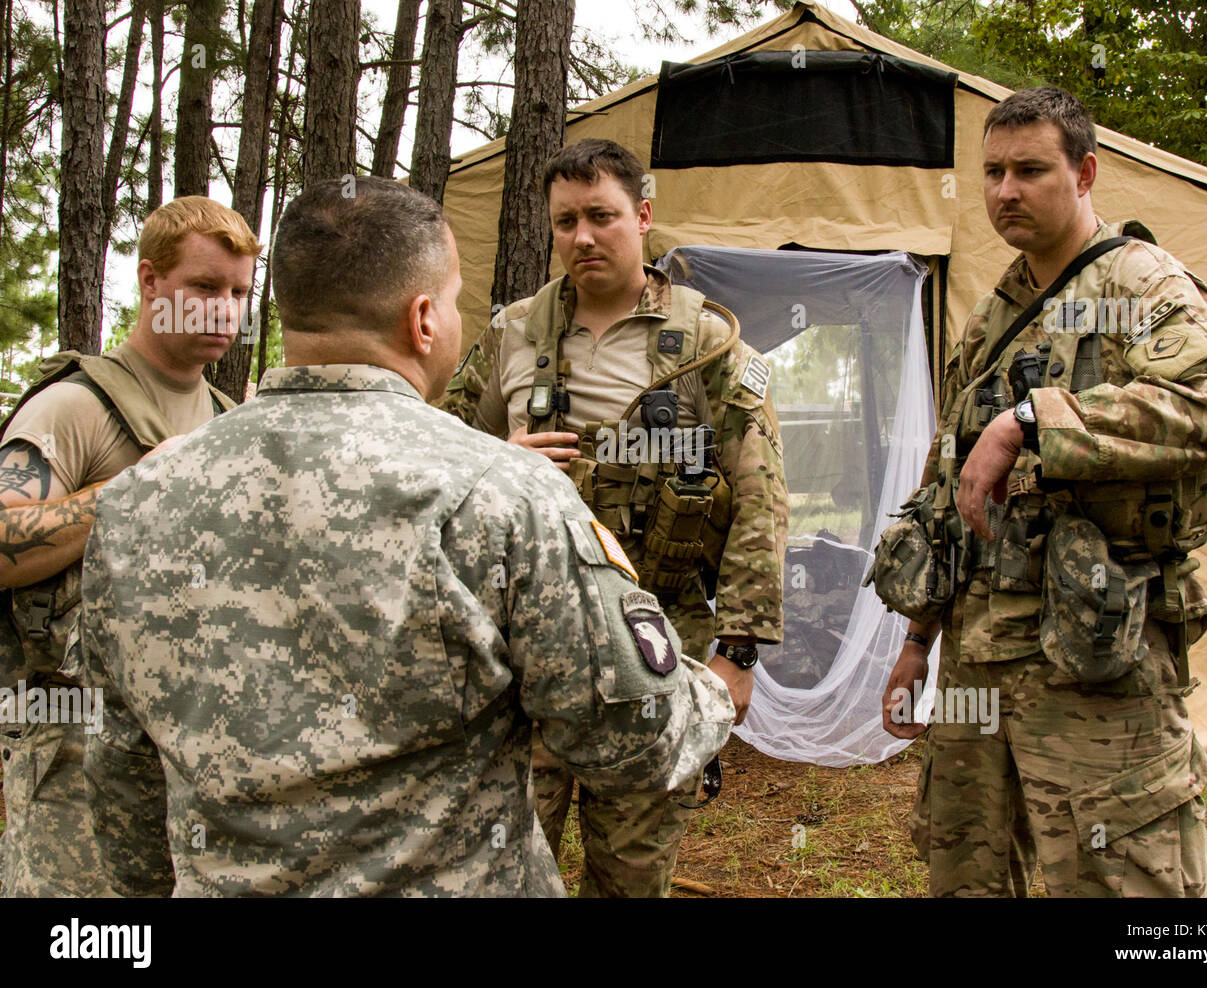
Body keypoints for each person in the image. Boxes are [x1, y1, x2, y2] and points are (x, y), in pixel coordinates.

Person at [73, 175, 734, 897]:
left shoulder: (138, 505)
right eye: (452, 302)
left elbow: (123, 791)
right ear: (424, 320)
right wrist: (716, 694)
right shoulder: (500, 491)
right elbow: (635, 740)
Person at [880, 86, 1207, 897]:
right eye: (993, 172)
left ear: (1084, 173)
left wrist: (1033, 420)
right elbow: (952, 490)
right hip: (978, 669)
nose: (1006, 190)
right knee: (967, 876)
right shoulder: (991, 316)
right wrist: (916, 643)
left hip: (1093, 667)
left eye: (1031, 170)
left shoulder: (1142, 284)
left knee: (1122, 887)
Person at [441, 138, 787, 897]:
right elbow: (432, 457)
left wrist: (739, 650)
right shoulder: (513, 333)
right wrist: (502, 455)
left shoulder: (707, 343)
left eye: (601, 215)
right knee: (496, 870)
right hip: (522, 654)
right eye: (565, 222)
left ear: (643, 215)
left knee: (631, 875)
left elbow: (761, 498)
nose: (583, 237)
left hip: (653, 649)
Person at [0, 196, 259, 896]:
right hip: (74, 743)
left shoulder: (227, 419)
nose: (224, 311)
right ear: (150, 283)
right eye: (204, 288)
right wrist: (126, 492)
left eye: (239, 293)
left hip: (193, 744)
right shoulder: (75, 406)